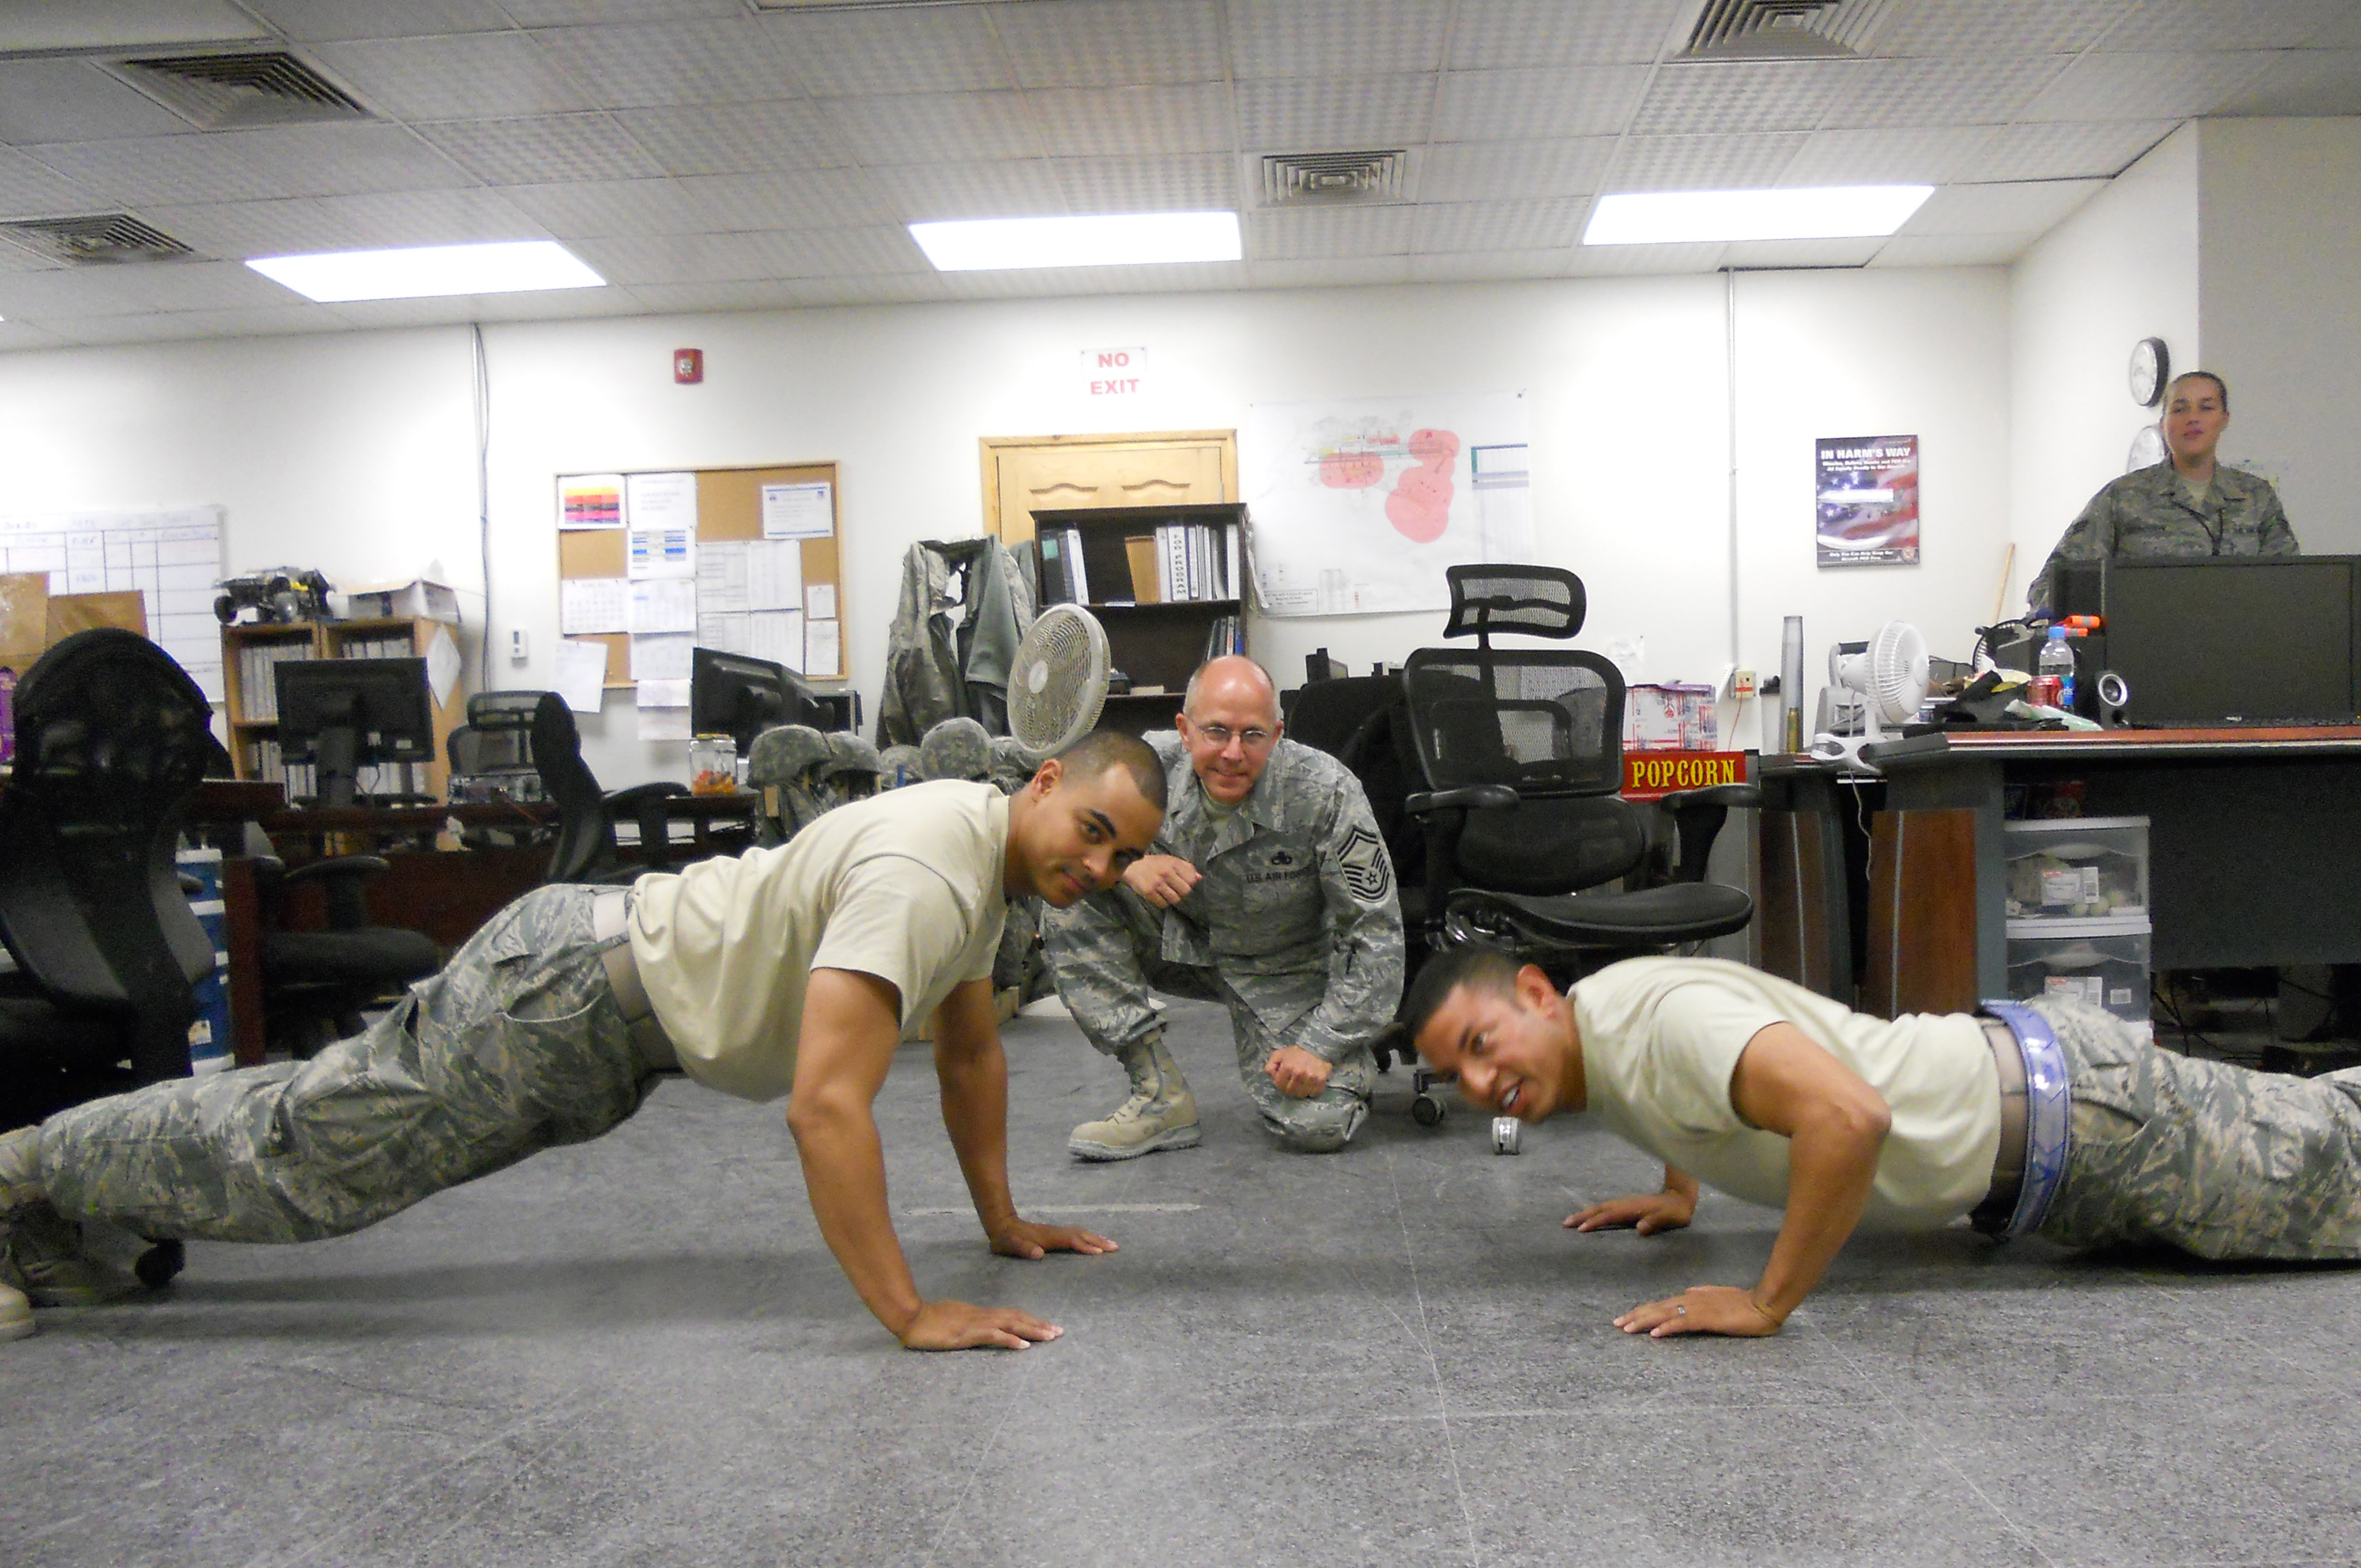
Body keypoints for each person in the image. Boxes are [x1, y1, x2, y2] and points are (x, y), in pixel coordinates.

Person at [0, 732, 1167, 1352]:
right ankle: (23, 1169)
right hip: (559, 999)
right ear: (1047, 781)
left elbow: (970, 1052)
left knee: (312, 1134)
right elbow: (825, 1104)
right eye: (1093, 830)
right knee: (303, 1157)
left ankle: (51, 1216)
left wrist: (1001, 1221)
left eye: (1119, 859)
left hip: (593, 1022)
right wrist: (909, 1312)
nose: (1099, 868)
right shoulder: (928, 867)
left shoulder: (975, 850)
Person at [1406, 946, 2361, 1339]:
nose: (1483, 1084)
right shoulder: (1597, 1027)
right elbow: (1686, 1094)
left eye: (1482, 1045)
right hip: (2054, 1112)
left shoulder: (1655, 1029)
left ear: (1534, 994)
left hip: (2090, 1125)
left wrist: (1762, 1300)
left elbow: (1846, 1116)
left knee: (2338, 1175)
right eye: (1458, 1075)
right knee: (2318, 1125)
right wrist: (1680, 1189)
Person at [1044, 656, 1403, 1159]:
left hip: (1289, 970)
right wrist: (1124, 866)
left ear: (1277, 734)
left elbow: (1377, 935)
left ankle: (1350, 1063)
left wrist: (1322, 1046)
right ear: (1184, 730)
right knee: (1071, 897)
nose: (1233, 753)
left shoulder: (1326, 793)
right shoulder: (1143, 771)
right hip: (1186, 947)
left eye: (1253, 735)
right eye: (1216, 732)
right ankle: (1158, 1095)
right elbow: (1056, 828)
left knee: (1316, 1128)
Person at [2028, 371, 2298, 614]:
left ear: (2225, 419)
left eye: (2206, 408)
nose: (2193, 418)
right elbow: (2051, 586)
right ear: (2163, 424)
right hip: (2144, 649)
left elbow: (2293, 584)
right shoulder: (2124, 496)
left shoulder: (2255, 497)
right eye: (2180, 409)